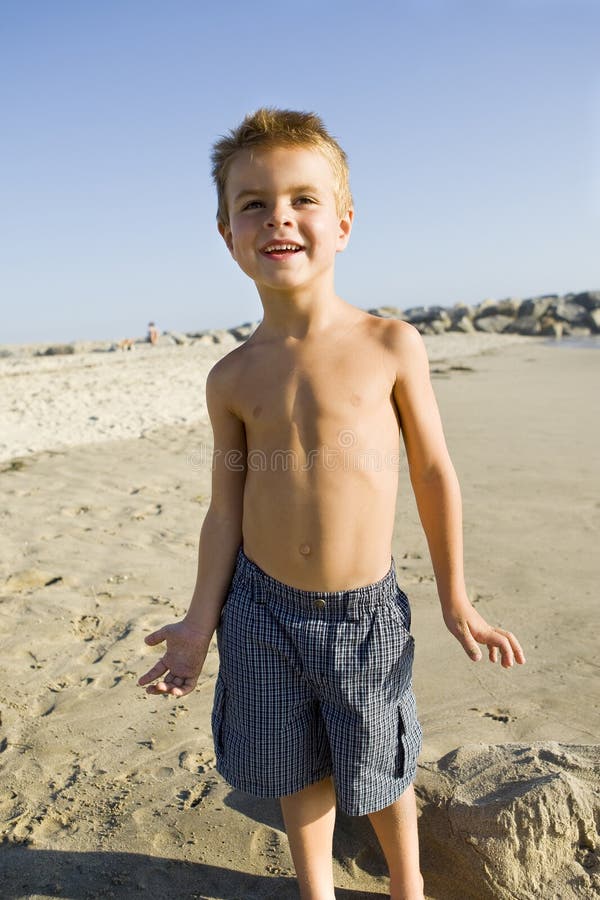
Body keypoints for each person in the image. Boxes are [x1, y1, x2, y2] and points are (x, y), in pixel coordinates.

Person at [138, 108, 525, 899]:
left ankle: (406, 886)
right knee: (290, 760)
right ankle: (316, 888)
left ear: (343, 223)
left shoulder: (390, 344)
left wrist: (458, 599)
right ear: (228, 235)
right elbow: (224, 511)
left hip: (362, 610)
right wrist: (196, 624)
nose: (278, 214)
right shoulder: (233, 376)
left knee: (379, 758)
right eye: (253, 203)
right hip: (261, 607)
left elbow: (432, 473)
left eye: (302, 199)